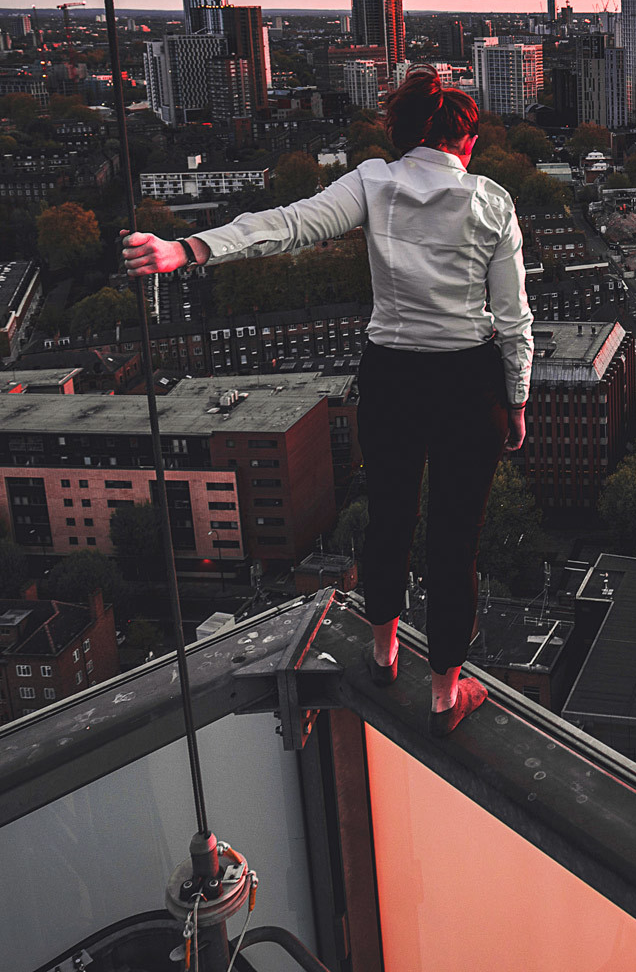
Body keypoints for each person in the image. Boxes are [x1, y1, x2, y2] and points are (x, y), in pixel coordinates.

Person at [123, 69, 532, 737]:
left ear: (406, 134)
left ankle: (384, 653)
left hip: (392, 377)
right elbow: (513, 319)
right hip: (468, 381)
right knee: (456, 539)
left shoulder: (373, 182)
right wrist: (516, 398)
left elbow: (287, 226)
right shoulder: (491, 201)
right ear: (464, 139)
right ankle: (444, 696)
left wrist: (187, 249)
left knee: (389, 516)